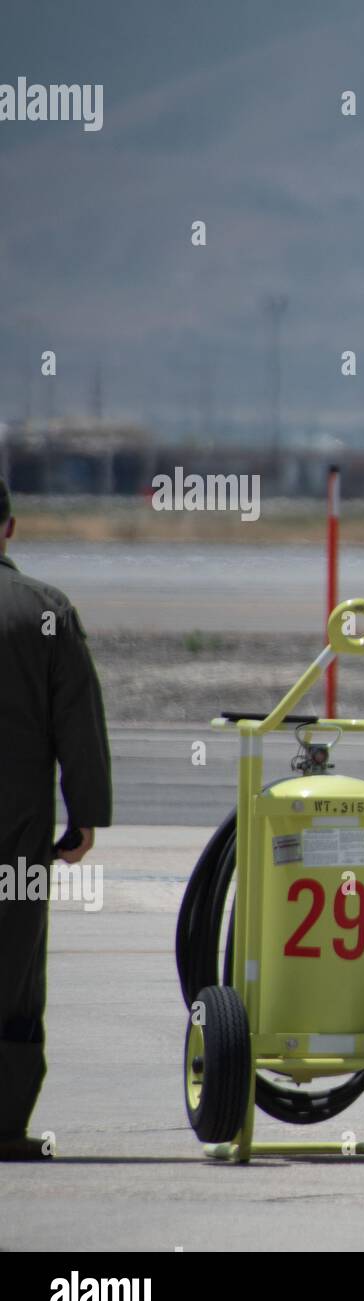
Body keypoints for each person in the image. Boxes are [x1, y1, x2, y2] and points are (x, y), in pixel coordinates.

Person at [0, 477, 112, 1159]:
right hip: (16, 834)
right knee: (13, 976)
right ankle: (5, 1122)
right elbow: (78, 721)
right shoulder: (44, 610)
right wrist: (85, 815)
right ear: (10, 528)